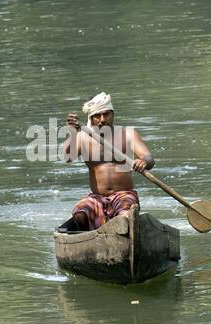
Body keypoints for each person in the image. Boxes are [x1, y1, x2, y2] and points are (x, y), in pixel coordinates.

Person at [62, 92, 156, 231]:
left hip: (124, 195)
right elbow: (67, 157)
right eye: (97, 116)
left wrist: (143, 162)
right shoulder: (82, 137)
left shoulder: (128, 134)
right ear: (90, 118)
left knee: (124, 218)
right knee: (80, 215)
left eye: (106, 114)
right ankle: (89, 238)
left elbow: (149, 158)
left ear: (113, 114)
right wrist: (73, 133)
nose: (102, 120)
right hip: (97, 197)